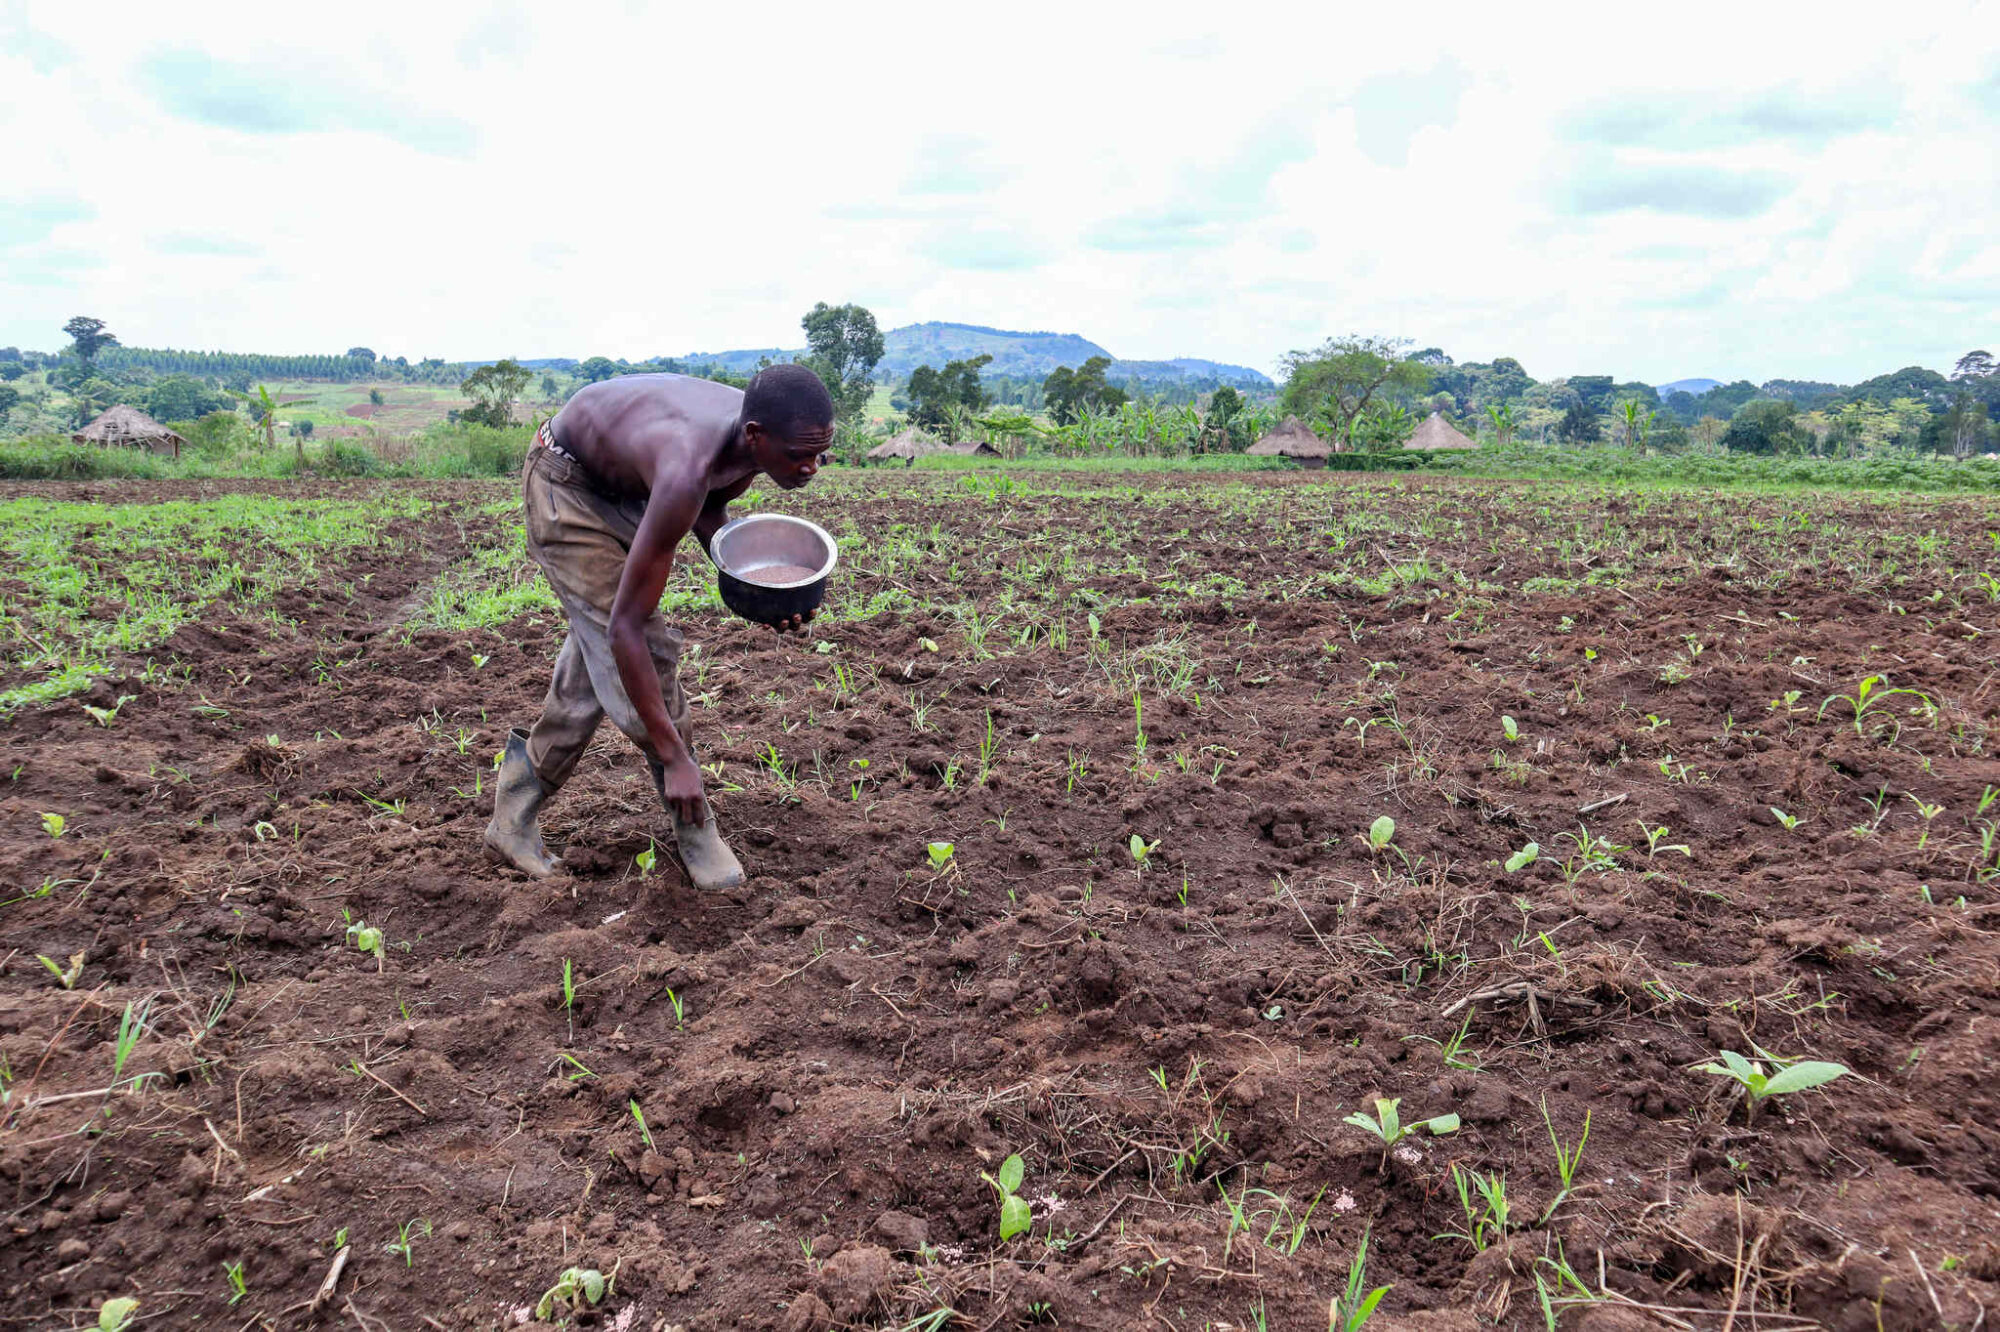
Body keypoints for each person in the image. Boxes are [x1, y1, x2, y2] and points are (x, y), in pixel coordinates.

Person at [484, 364, 832, 889]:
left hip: (624, 481)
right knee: (638, 641)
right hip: (567, 484)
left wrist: (755, 587)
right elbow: (626, 626)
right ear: (756, 436)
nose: (811, 468)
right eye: (798, 456)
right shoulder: (687, 464)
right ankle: (692, 819)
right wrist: (675, 757)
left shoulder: (755, 434)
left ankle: (513, 813)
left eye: (820, 453)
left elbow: (709, 507)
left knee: (598, 658)